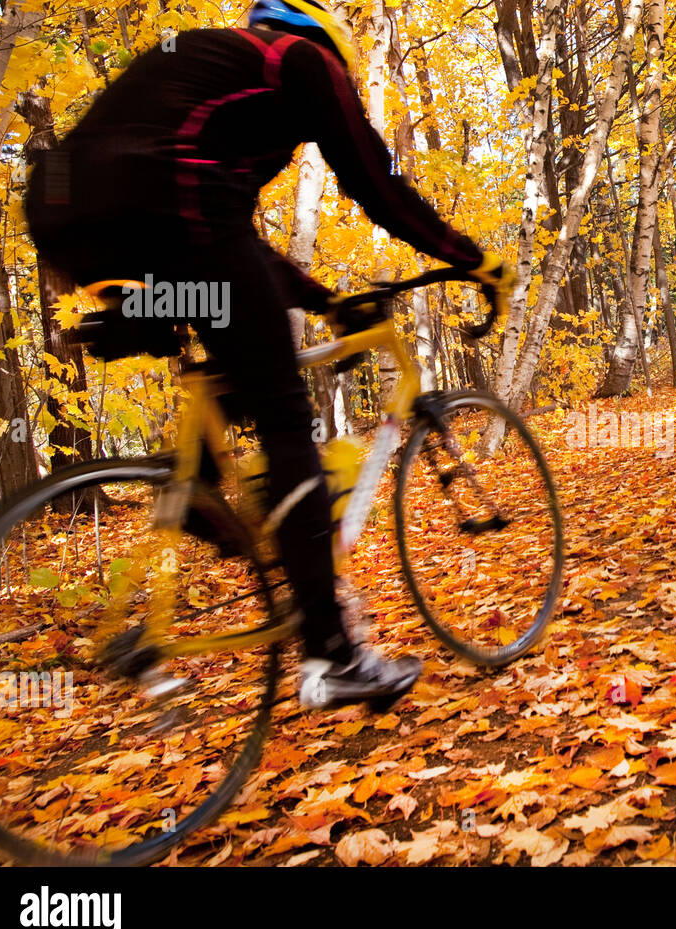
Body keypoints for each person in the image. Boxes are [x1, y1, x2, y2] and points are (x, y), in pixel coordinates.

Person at [25, 0, 509, 710]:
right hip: (161, 204)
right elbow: (374, 183)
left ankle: (196, 489)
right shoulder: (302, 62)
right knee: (286, 416)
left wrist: (324, 301)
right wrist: (468, 257)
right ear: (325, 43)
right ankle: (333, 656)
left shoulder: (203, 79)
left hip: (65, 215)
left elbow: (236, 245)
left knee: (222, 341)